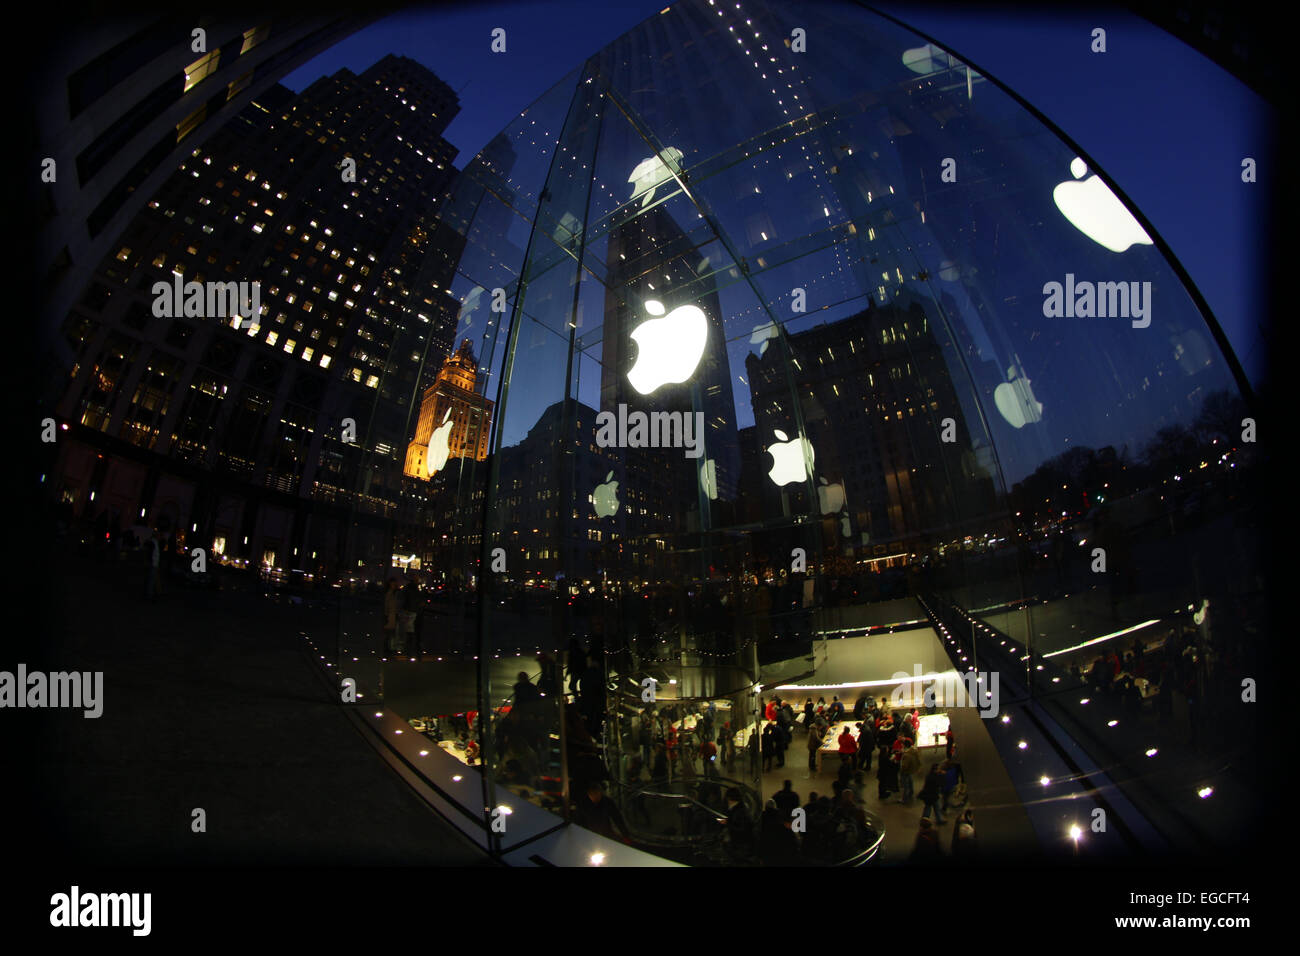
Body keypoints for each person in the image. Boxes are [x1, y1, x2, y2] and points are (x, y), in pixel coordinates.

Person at [400, 577, 422, 658]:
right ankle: (412, 651)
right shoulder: (413, 590)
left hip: (411, 612)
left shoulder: (408, 590)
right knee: (412, 633)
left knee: (410, 633)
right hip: (412, 612)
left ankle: (410, 651)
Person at [897, 738, 920, 804]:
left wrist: (901, 769)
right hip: (911, 769)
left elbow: (904, 766)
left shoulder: (907, 755)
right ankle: (911, 792)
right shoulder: (913, 751)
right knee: (910, 781)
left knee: (905, 785)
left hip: (906, 771)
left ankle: (904, 799)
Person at [382, 577, 400, 653]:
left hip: (392, 614)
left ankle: (389, 648)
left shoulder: (394, 593)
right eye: (393, 583)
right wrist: (386, 615)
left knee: (391, 633)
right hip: (390, 615)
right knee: (389, 633)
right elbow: (387, 605)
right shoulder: (390, 593)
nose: (394, 585)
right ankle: (388, 648)